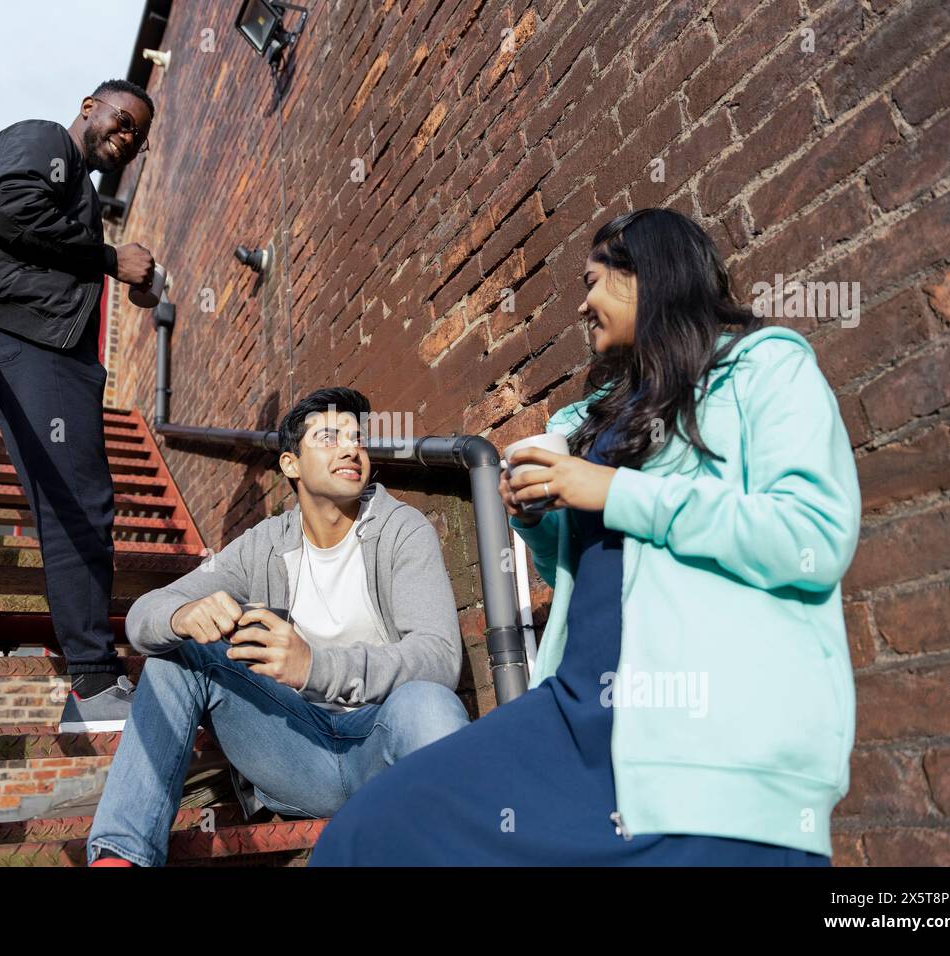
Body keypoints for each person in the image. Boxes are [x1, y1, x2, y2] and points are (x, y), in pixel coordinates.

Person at [309, 208, 862, 866]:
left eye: (595, 281)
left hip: (704, 731)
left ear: (650, 277)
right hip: (572, 713)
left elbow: (813, 535)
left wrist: (614, 491)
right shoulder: (591, 419)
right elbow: (588, 569)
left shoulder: (765, 369)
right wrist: (540, 520)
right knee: (366, 835)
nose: (584, 304)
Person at [86, 387, 470, 865]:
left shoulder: (401, 530)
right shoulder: (262, 545)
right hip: (294, 752)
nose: (352, 448)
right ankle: (120, 856)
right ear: (290, 464)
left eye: (357, 438)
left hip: (381, 747)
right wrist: (181, 615)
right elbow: (146, 613)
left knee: (427, 701)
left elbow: (438, 660)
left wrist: (314, 665)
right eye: (330, 437)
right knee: (178, 651)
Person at [0, 80, 159, 732]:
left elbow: (37, 234)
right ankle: (93, 685)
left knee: (67, 503)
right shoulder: (44, 138)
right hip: (27, 341)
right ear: (90, 106)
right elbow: (9, 210)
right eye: (122, 120)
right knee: (79, 502)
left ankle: (89, 681)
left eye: (136, 137)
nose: (125, 138)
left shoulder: (82, 191)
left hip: (33, 344)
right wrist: (106, 259)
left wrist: (122, 278)